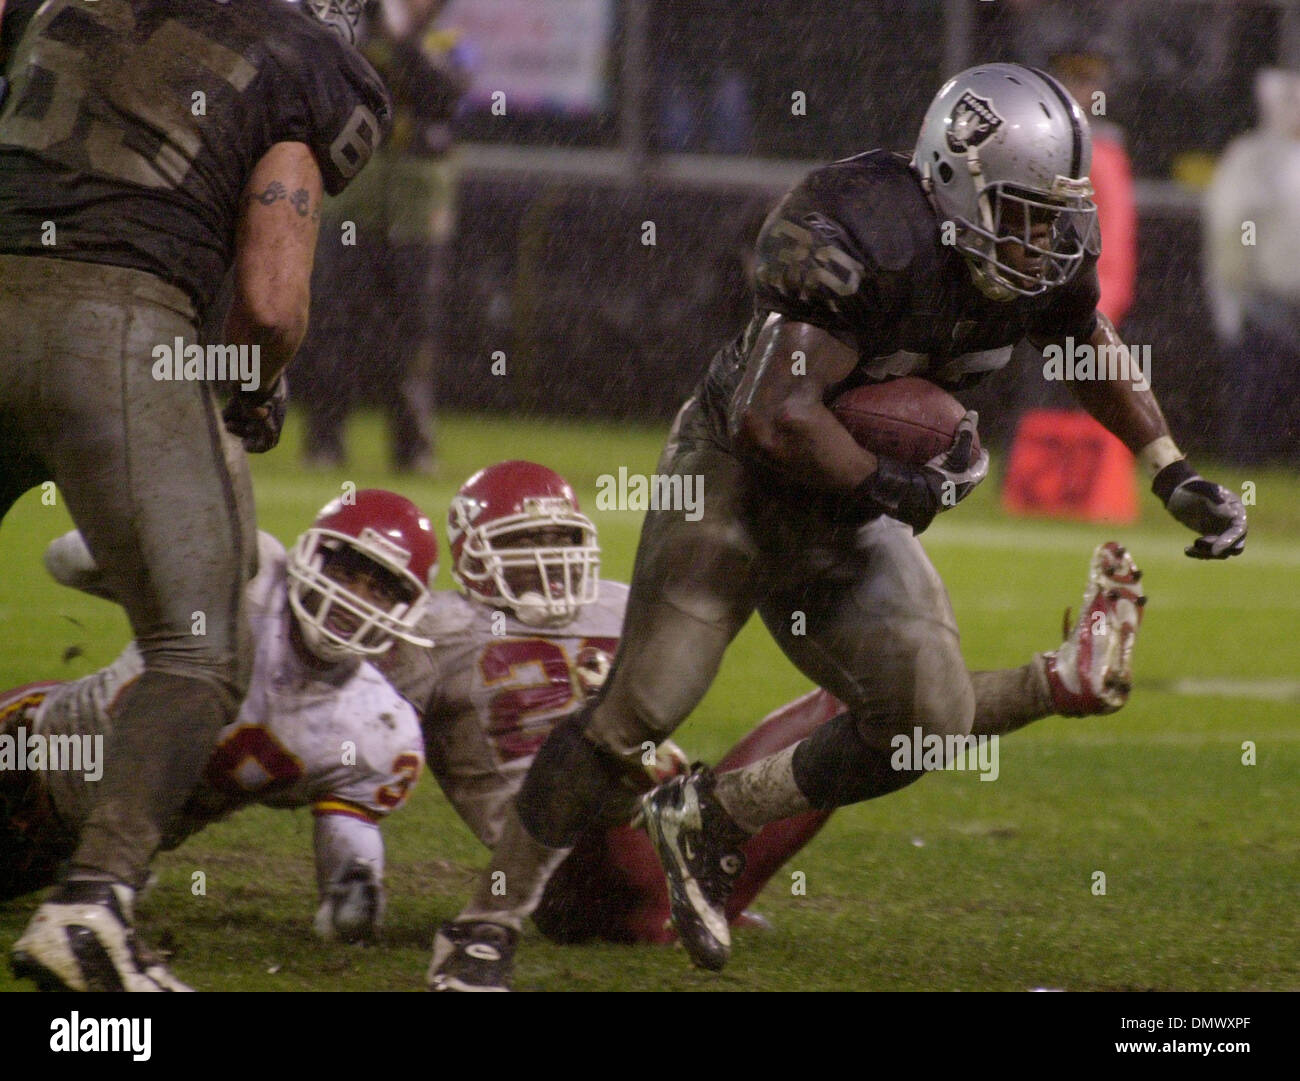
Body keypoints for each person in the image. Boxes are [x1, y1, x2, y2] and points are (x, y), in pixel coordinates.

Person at [424, 64, 1246, 989]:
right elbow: (776, 413)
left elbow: (1084, 339)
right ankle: (483, 921)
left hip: (852, 506)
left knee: (927, 719)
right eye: (1020, 211)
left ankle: (714, 817)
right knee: (637, 712)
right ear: (952, 180)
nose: (1041, 240)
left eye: (1054, 214)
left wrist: (1169, 465)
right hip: (739, 480)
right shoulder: (859, 226)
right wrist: (894, 480)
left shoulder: (1034, 261)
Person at [0, 0, 391, 990]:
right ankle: (91, 909)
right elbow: (267, 301)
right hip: (115, 323)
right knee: (197, 643)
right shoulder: (307, 62)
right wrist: (250, 382)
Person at [2, 490, 437, 977]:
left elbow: (350, 819)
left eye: (379, 589)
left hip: (74, 849)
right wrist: (138, 553)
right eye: (345, 572)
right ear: (310, 555)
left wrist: (354, 882)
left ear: (408, 610)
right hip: (28, 749)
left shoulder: (378, 724)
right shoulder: (245, 575)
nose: (352, 598)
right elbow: (65, 561)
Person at [295, 0, 468, 473]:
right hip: (356, 192)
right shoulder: (347, 32)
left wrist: (406, 44)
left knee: (413, 325)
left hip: (417, 201)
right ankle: (324, 440)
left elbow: (447, 97)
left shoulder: (447, 42)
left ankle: (412, 446)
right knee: (334, 316)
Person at [1204, 67, 1300, 464]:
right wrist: (1237, 292)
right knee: (1257, 398)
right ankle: (1249, 470)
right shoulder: (1251, 157)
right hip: (1263, 302)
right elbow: (1230, 229)